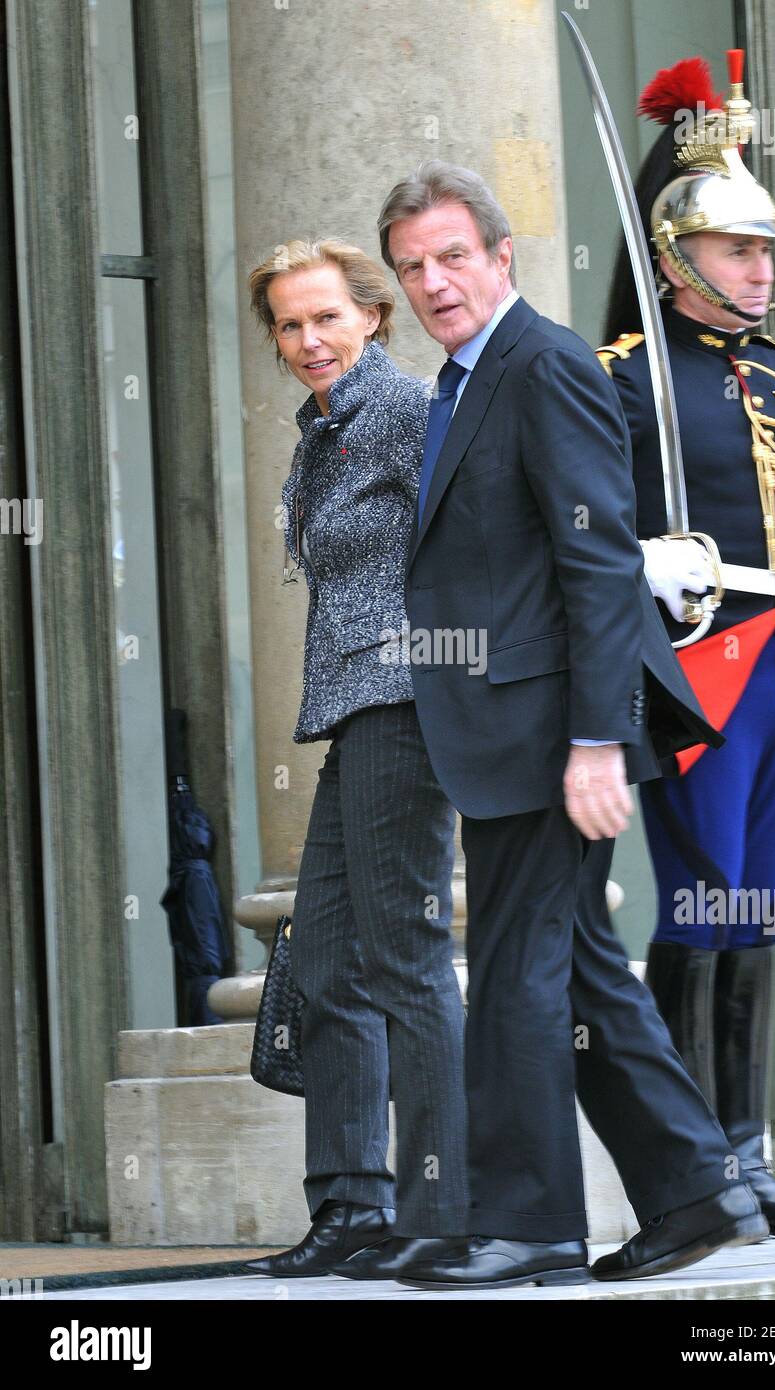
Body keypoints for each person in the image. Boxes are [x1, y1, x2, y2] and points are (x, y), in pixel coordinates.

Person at [360, 159, 769, 1291]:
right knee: (580, 967)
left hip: (553, 734)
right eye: (411, 266)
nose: (434, 281)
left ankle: (530, 1225)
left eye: (452, 255)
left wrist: (596, 740)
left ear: (500, 256)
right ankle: (697, 1192)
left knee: (519, 975)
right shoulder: (460, 378)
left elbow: (598, 564)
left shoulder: (541, 364)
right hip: (515, 732)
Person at [593, 55, 775, 1238]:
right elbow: (588, 534)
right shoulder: (621, 379)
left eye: (763, 251)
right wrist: (640, 564)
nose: (759, 269)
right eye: (735, 251)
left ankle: (748, 1159)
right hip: (696, 662)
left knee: (756, 907)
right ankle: (694, 1166)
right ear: (675, 257)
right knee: (699, 907)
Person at [242, 239, 469, 1278]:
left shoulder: (409, 410)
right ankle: (349, 1204)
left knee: (403, 958)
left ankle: (439, 1205)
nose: (308, 340)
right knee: (328, 960)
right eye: (289, 324)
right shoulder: (321, 434)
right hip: (351, 708)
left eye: (326, 316)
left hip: (406, 699)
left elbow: (480, 539)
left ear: (372, 315)